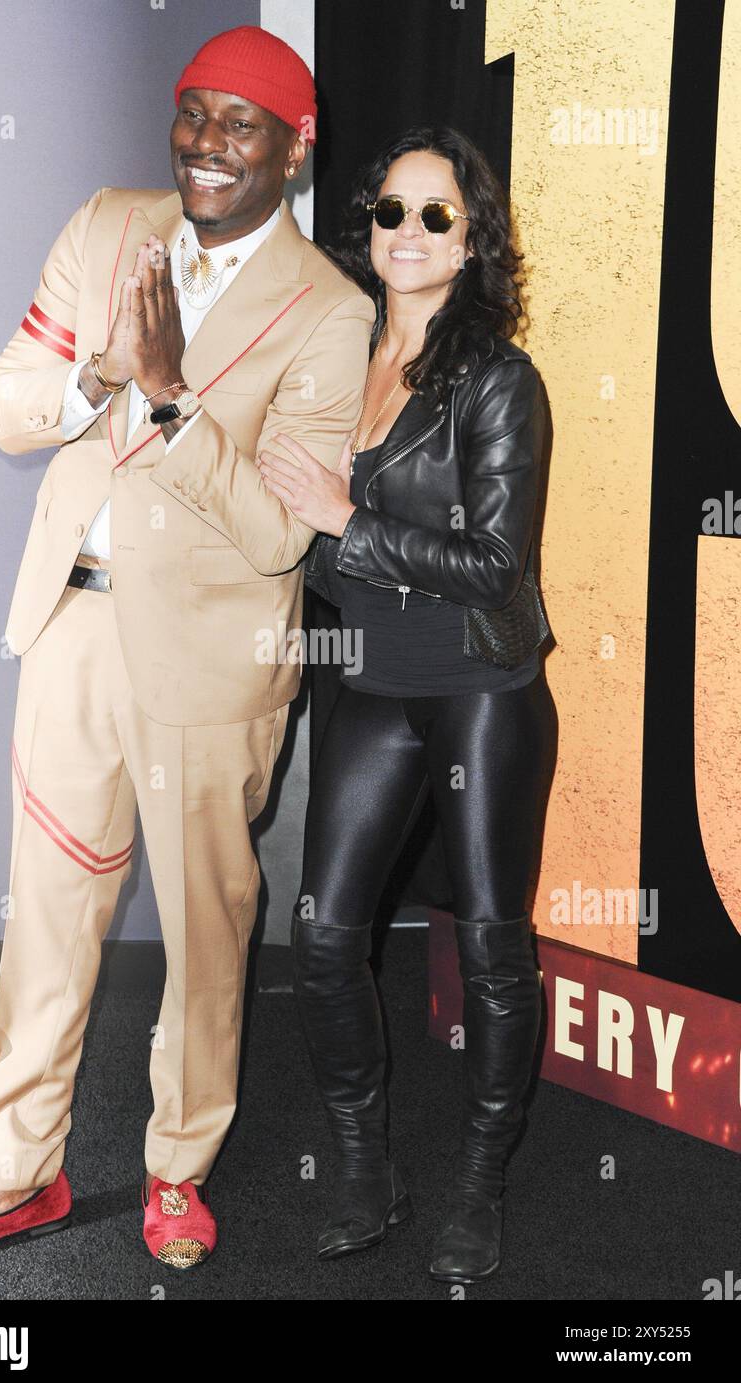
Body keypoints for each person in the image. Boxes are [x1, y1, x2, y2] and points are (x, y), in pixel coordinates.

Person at [0, 25, 374, 1276]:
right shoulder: (108, 227)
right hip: (74, 625)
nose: (207, 143)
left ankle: (176, 1171)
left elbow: (275, 530)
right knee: (45, 915)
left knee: (207, 932)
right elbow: (4, 405)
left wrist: (168, 398)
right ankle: (8, 1178)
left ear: (296, 147)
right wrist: (102, 386)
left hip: (218, 654)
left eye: (240, 123)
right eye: (194, 114)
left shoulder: (331, 311)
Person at [258, 125, 557, 1284]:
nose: (410, 233)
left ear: (472, 236)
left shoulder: (499, 379)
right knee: (323, 933)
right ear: (369, 226)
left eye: (438, 215)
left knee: (492, 947)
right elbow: (311, 533)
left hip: (482, 685)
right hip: (375, 683)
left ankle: (480, 1185)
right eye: (392, 211)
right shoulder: (344, 356)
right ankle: (364, 1167)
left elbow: (495, 565)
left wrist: (345, 521)